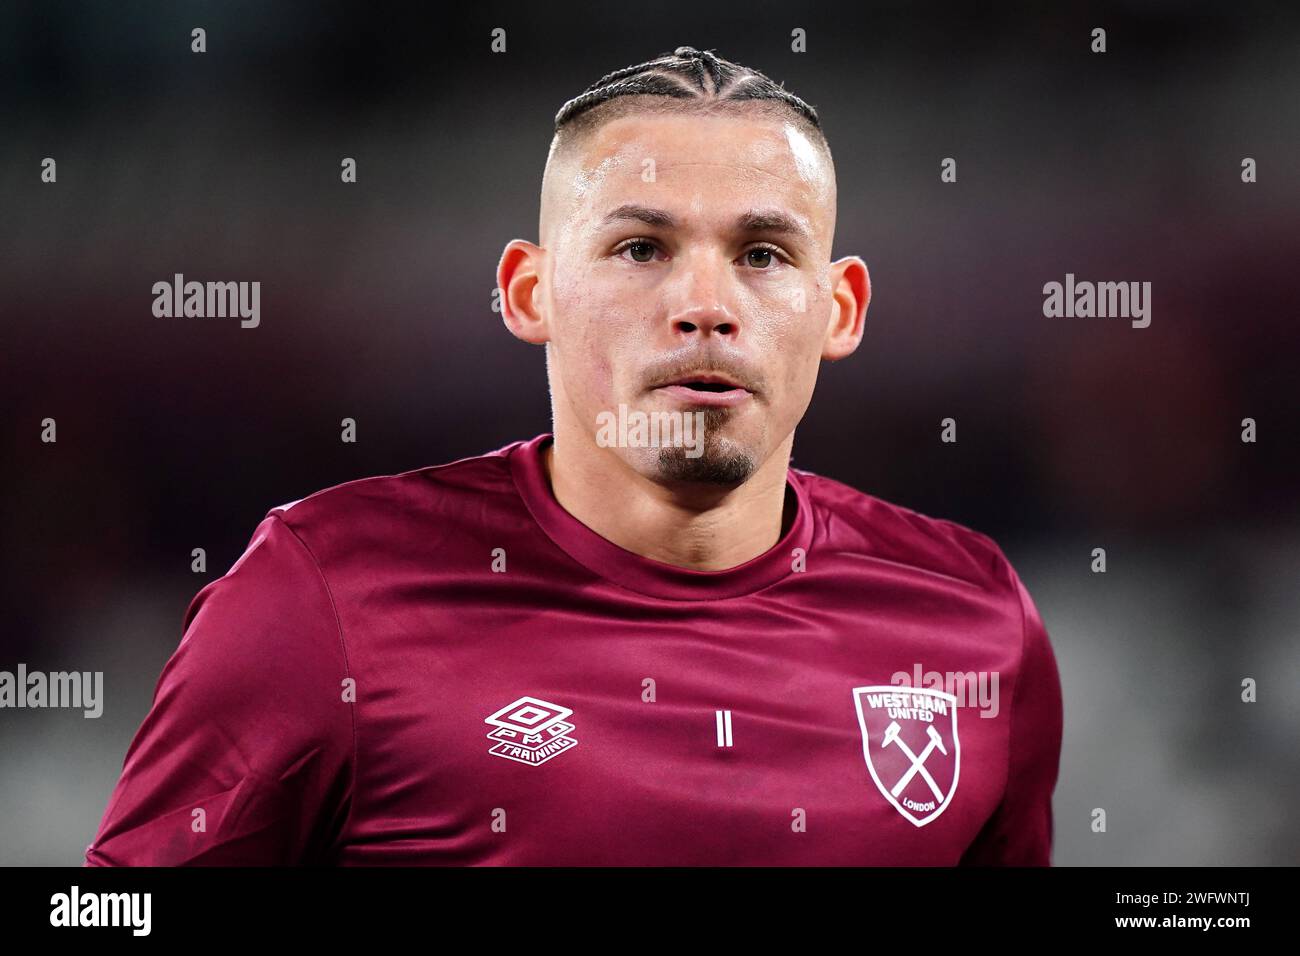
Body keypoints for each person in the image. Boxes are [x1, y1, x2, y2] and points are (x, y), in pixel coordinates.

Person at [85, 46, 1062, 866]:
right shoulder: (324, 594)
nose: (706, 306)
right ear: (529, 291)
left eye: (763, 253)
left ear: (840, 306)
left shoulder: (972, 617)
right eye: (640, 248)